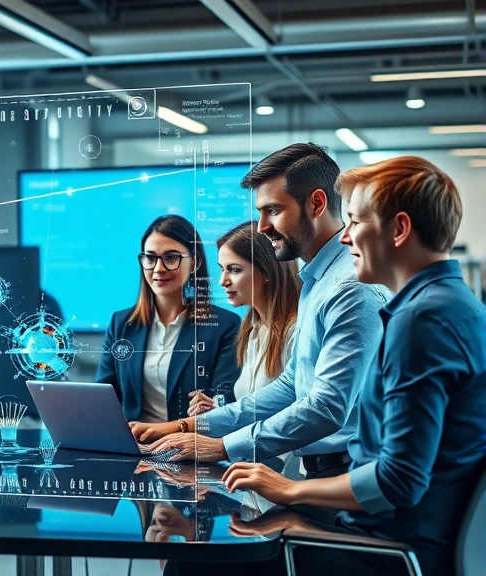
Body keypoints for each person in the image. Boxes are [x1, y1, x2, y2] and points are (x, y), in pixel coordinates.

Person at [189, 157, 486, 576]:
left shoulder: (421, 320)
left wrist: (291, 490)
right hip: (390, 532)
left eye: (355, 222)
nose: (344, 237)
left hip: (389, 549)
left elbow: (398, 480)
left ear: (399, 229)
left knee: (204, 562)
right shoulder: (454, 305)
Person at [136, 144, 390, 484]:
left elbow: (327, 408)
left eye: (272, 210)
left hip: (348, 474)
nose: (261, 227)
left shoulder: (349, 286)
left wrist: (222, 447)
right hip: (323, 469)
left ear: (316, 204)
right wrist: (180, 427)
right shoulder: (317, 279)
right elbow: (291, 387)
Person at [96, 214, 242, 424]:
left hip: (191, 447)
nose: (158, 269)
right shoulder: (121, 323)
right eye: (150, 257)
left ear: (194, 261)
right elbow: (103, 397)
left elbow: (225, 401)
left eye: (171, 257)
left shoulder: (224, 326)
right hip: (133, 448)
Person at [187, 222, 301, 417]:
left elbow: (296, 414)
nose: (223, 281)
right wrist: (218, 408)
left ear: (266, 271)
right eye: (222, 269)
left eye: (234, 270)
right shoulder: (252, 330)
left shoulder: (296, 332)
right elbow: (253, 408)